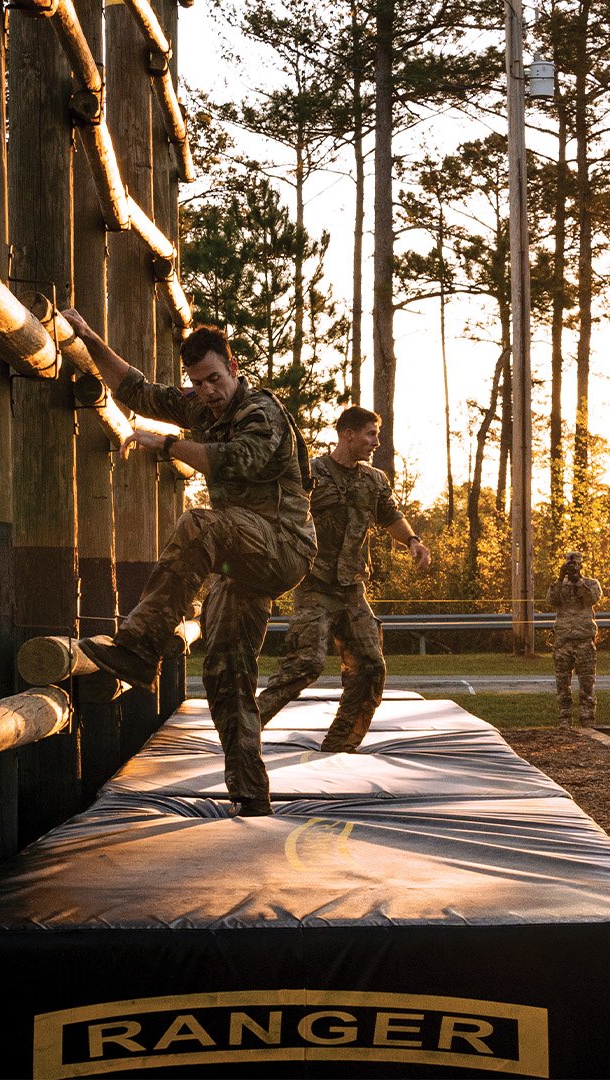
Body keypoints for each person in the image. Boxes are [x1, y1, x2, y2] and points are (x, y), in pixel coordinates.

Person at [63, 313, 316, 817]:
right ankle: (251, 793)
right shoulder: (201, 405)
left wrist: (168, 443)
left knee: (199, 523)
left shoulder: (259, 411)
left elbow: (236, 461)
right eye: (199, 384)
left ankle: (140, 646)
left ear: (235, 369)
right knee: (226, 673)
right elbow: (137, 391)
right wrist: (90, 339)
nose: (208, 392)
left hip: (282, 547)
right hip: (238, 561)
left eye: (215, 380)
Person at [255, 406, 432, 751]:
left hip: (352, 589)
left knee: (370, 666)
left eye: (376, 435)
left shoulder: (374, 480)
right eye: (370, 434)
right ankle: (247, 729)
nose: (376, 443)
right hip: (315, 585)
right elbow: (278, 512)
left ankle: (340, 745)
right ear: (348, 434)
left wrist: (413, 541)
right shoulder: (312, 473)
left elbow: (390, 516)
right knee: (305, 663)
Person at [546, 552, 603, 726]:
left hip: (584, 639)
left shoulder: (591, 584)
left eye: (575, 565)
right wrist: (560, 578)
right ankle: (564, 716)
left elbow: (592, 599)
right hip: (563, 640)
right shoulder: (558, 585)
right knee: (562, 682)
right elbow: (551, 600)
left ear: (581, 566)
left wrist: (578, 581)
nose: (572, 568)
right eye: (569, 565)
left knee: (587, 681)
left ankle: (587, 717)